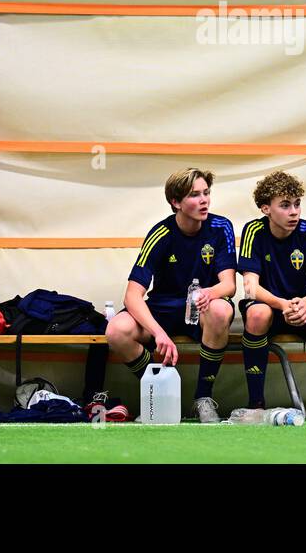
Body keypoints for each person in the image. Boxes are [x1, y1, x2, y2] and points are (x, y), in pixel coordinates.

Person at [104, 168, 236, 423]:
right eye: (194, 195)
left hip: (202, 309)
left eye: (206, 193)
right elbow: (132, 296)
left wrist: (209, 292)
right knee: (116, 331)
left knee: (221, 309)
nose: (204, 200)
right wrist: (158, 333)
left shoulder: (221, 227)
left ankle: (203, 399)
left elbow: (229, 285)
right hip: (163, 309)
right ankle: (161, 393)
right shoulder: (161, 233)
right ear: (175, 202)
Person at [237, 171, 306, 422]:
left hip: (301, 307)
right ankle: (256, 404)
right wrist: (282, 304)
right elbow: (250, 288)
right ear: (266, 208)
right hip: (269, 306)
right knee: (257, 312)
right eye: (285, 205)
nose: (294, 212)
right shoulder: (253, 231)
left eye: (297, 204)